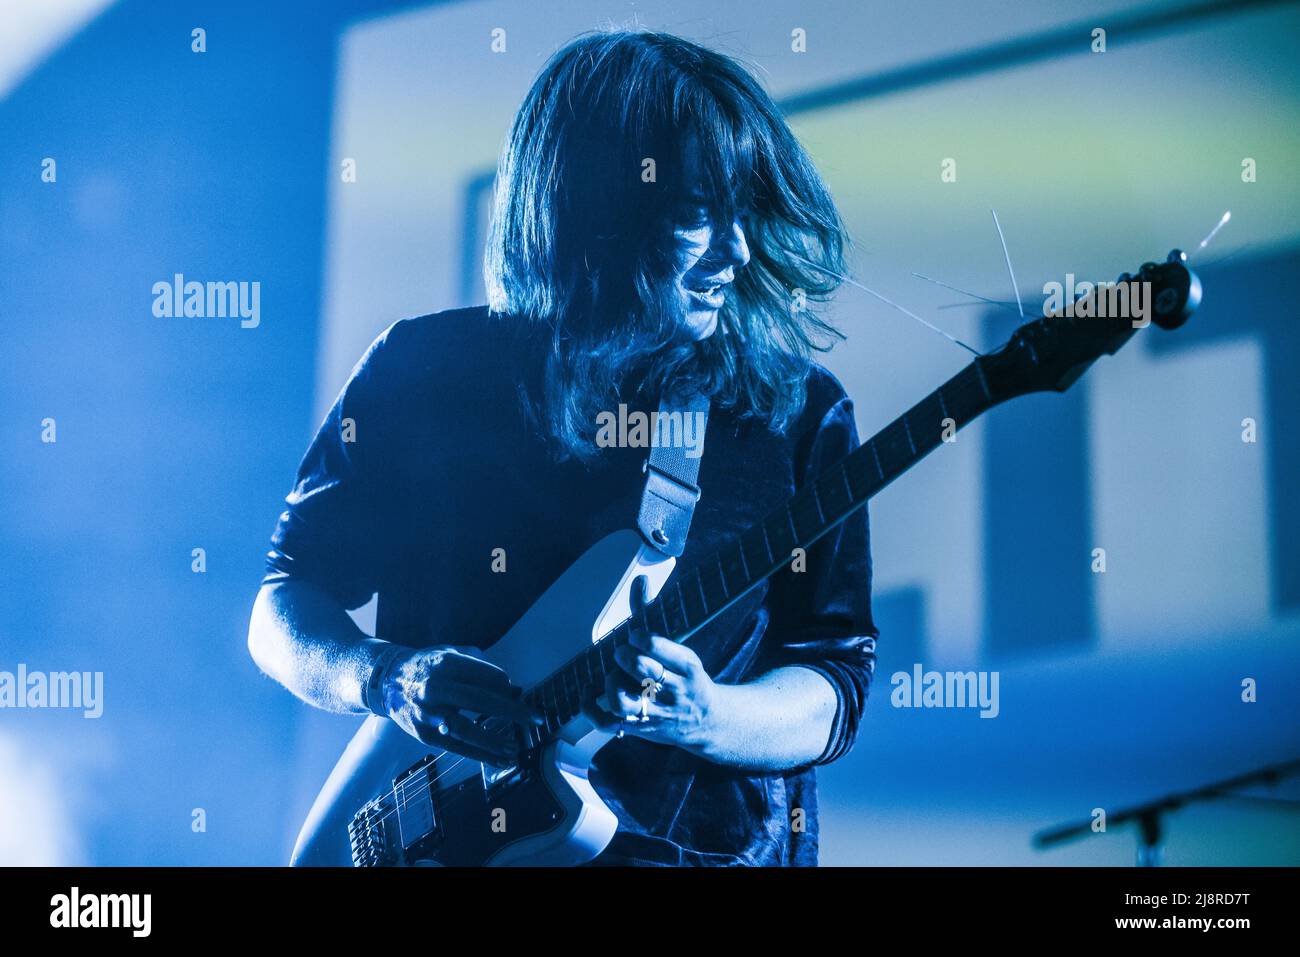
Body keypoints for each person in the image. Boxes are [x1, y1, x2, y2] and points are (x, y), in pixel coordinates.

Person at [248, 29, 878, 866]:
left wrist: (704, 714)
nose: (738, 249)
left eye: (744, 211)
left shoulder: (791, 413)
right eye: (699, 211)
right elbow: (283, 603)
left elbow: (833, 680)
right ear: (600, 210)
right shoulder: (423, 372)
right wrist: (386, 677)